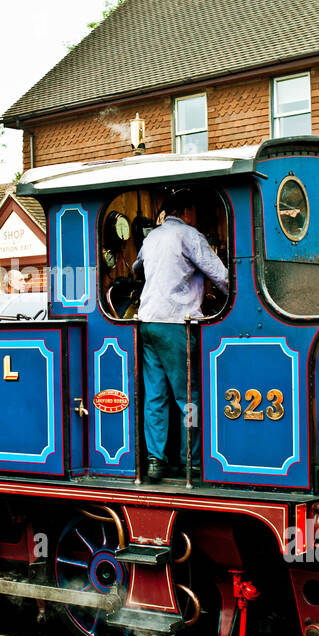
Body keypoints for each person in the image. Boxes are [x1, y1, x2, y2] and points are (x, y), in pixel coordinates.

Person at [133, 191, 229, 483]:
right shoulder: (190, 235)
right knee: (189, 398)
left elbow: (138, 268)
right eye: (196, 212)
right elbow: (222, 276)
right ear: (187, 210)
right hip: (177, 323)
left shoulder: (151, 238)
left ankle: (155, 461)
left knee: (155, 396)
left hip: (148, 322)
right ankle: (193, 462)